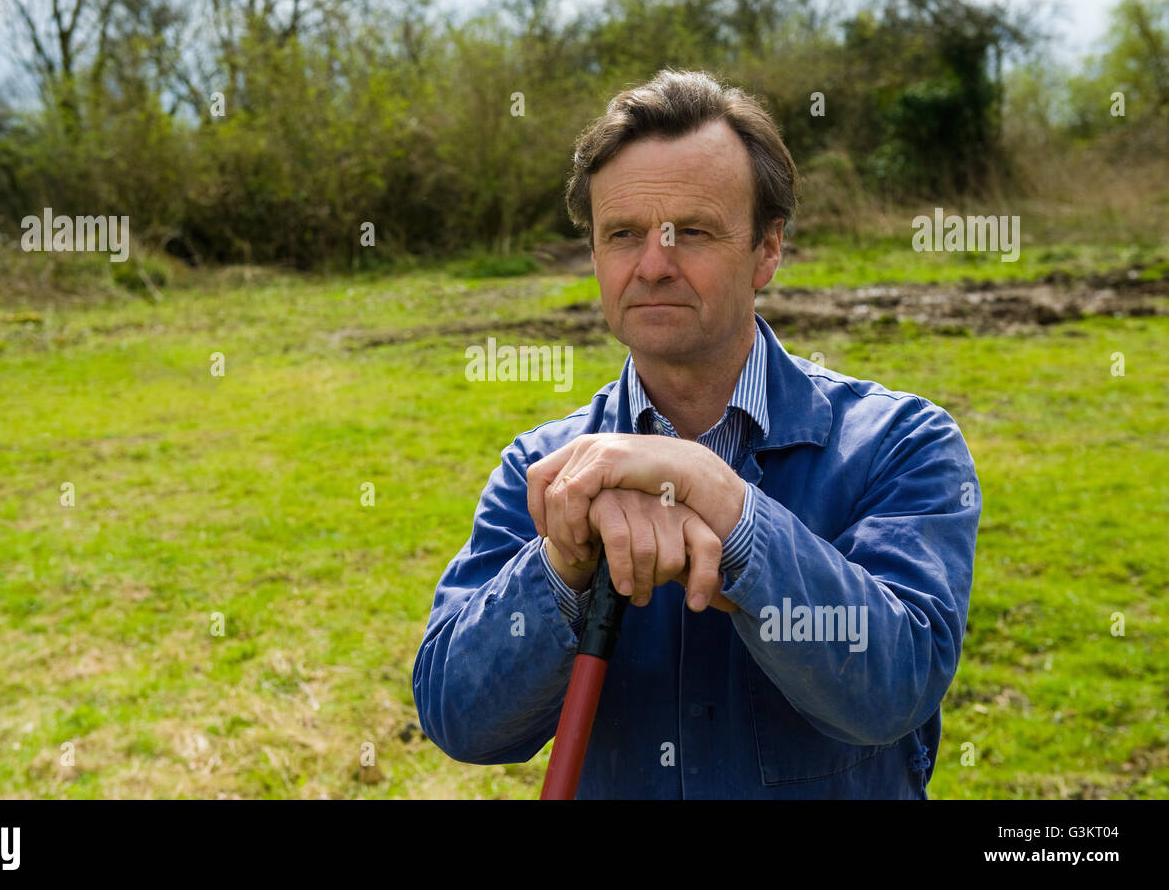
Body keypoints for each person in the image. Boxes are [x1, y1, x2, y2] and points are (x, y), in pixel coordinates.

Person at [412, 69, 981, 798]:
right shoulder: (541, 471)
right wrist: (562, 564)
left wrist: (729, 503)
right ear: (594, 255)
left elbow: (894, 688)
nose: (653, 265)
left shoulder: (902, 445)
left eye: (693, 233)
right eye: (623, 234)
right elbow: (458, 718)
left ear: (767, 250)